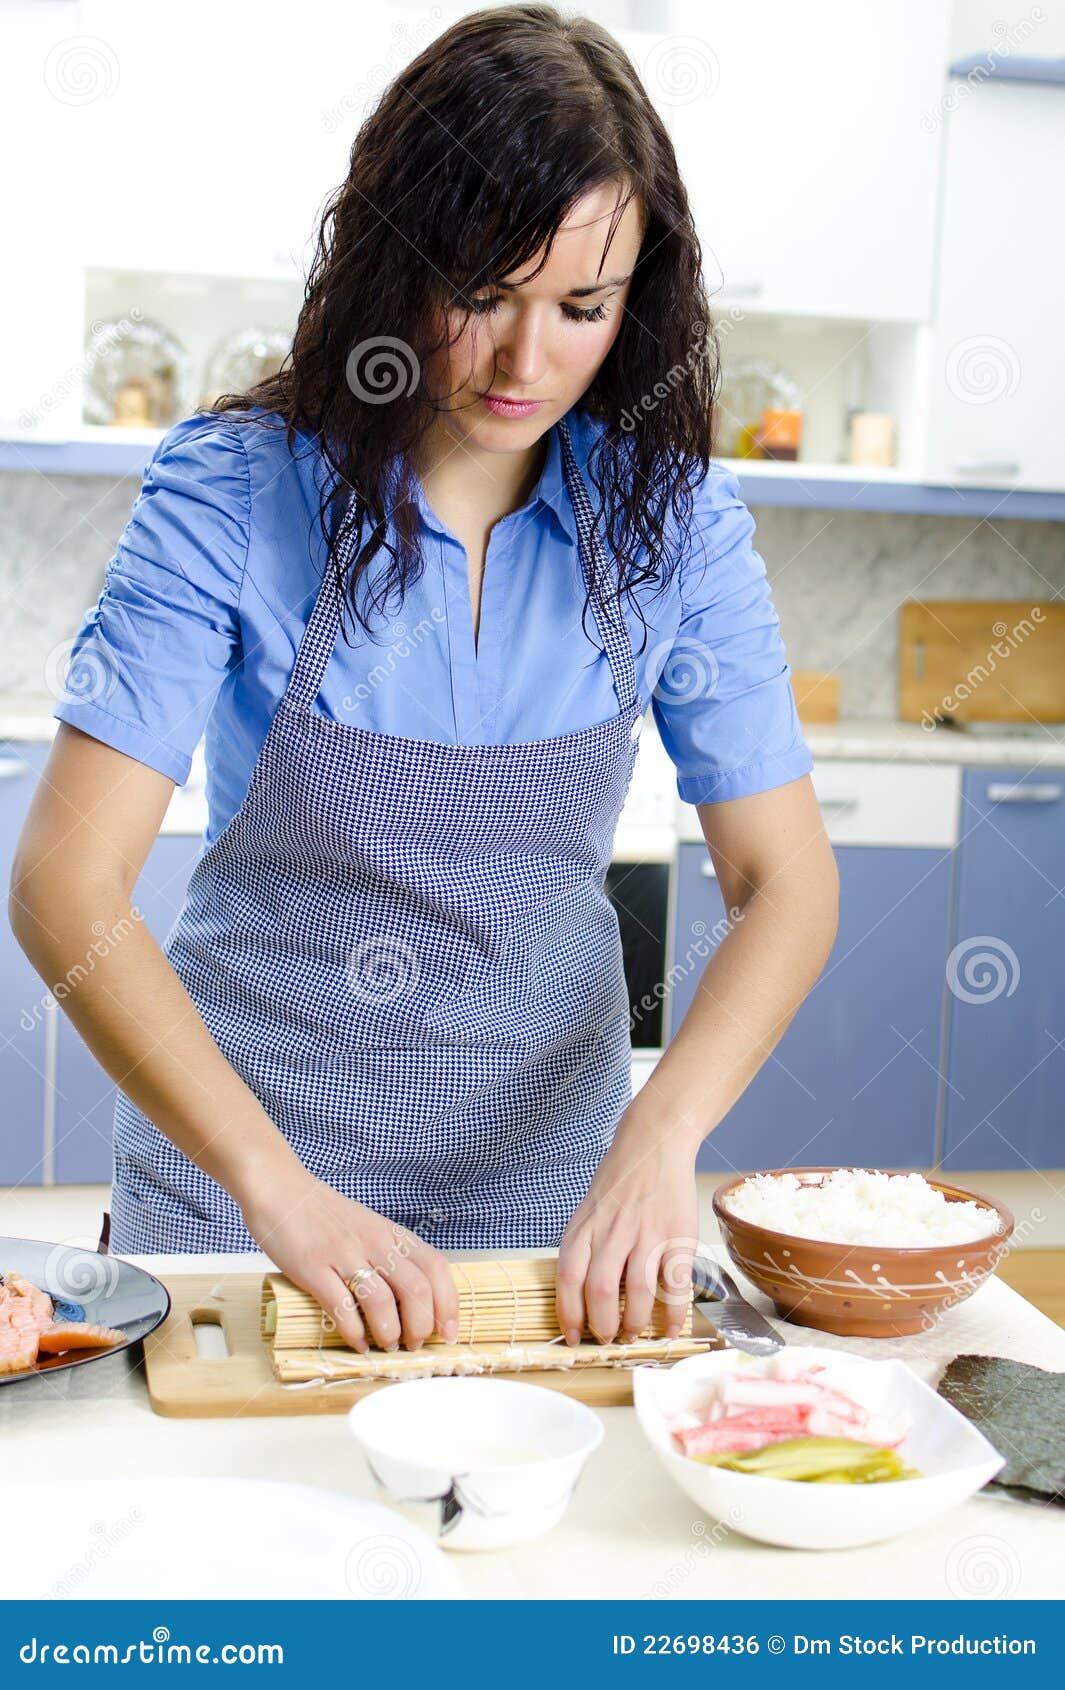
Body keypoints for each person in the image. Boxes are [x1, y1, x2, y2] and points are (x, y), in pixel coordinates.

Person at [10, 4, 838, 1356]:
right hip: (245, 1193)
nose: (526, 362)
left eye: (581, 305)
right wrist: (270, 1185)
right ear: (395, 270)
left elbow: (785, 878)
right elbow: (62, 886)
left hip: (552, 1211)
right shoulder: (231, 492)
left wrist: (660, 1130)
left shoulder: (674, 523)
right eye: (479, 295)